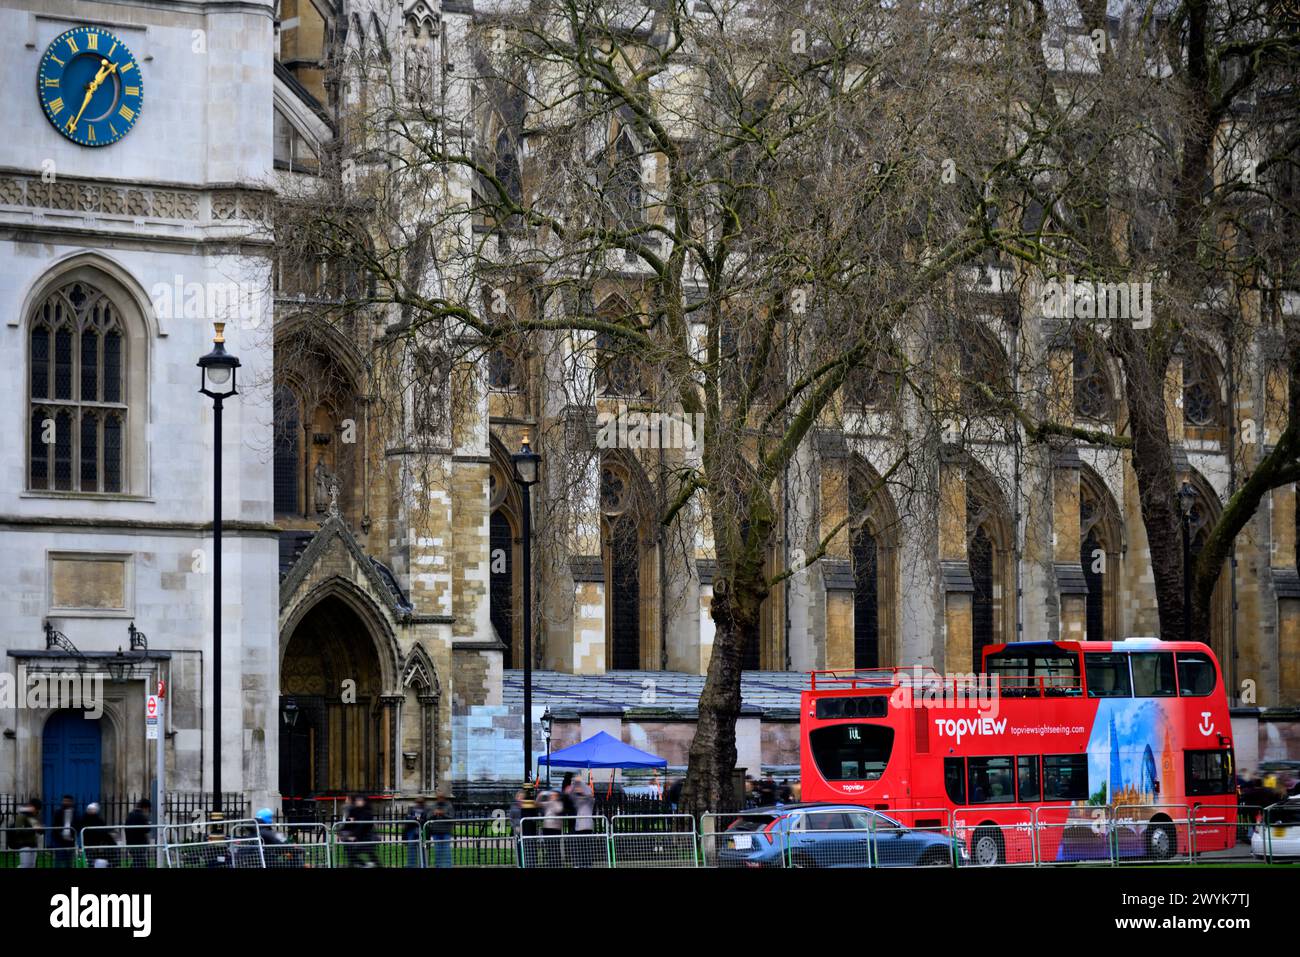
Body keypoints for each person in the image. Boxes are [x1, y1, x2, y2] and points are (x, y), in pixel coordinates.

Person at [339, 795, 379, 868]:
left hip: (367, 837)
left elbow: (362, 826)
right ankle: (365, 864)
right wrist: (341, 831)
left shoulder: (367, 812)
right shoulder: (354, 810)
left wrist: (354, 836)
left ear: (364, 802)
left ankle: (366, 864)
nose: (358, 802)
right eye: (357, 800)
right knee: (351, 851)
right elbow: (348, 824)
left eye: (360, 800)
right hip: (360, 837)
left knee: (356, 851)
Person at [79, 802, 115, 868]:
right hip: (89, 844)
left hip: (97, 844)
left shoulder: (98, 820)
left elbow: (103, 830)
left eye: (92, 810)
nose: (91, 811)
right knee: (91, 861)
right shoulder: (84, 819)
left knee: (96, 861)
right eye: (90, 810)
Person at [8, 799, 41, 869]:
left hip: (33, 844)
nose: (37, 812)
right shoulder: (22, 815)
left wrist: (40, 829)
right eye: (36, 809)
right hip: (24, 844)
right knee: (25, 866)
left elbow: (39, 829)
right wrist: (33, 830)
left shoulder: (34, 816)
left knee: (32, 866)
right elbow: (18, 830)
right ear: (31, 806)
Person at [50, 795, 78, 868]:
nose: (65, 802)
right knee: (59, 859)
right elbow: (54, 826)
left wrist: (73, 836)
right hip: (59, 840)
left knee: (69, 861)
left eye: (67, 801)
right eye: (64, 801)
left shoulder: (75, 813)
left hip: (70, 841)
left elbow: (78, 825)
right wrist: (60, 835)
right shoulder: (58, 812)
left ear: (71, 802)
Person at [123, 799, 152, 869]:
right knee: (141, 862)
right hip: (140, 844)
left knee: (138, 861)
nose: (147, 812)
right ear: (145, 808)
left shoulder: (130, 815)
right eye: (148, 810)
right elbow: (147, 829)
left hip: (130, 844)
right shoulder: (141, 816)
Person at [428, 793, 454, 868]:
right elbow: (428, 817)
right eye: (438, 797)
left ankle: (448, 866)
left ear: (444, 798)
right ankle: (438, 866)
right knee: (437, 851)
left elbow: (452, 817)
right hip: (436, 832)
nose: (440, 799)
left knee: (446, 851)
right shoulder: (433, 806)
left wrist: (443, 813)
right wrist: (434, 813)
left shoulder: (449, 806)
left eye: (441, 797)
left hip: (446, 832)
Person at [404, 796, 431, 868]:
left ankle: (423, 865)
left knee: (423, 850)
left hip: (422, 831)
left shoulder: (427, 809)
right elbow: (407, 817)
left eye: (420, 802)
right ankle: (411, 865)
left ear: (423, 802)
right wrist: (416, 818)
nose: (418, 803)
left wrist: (416, 819)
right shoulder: (412, 808)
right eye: (417, 802)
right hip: (412, 831)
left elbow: (425, 820)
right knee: (411, 849)